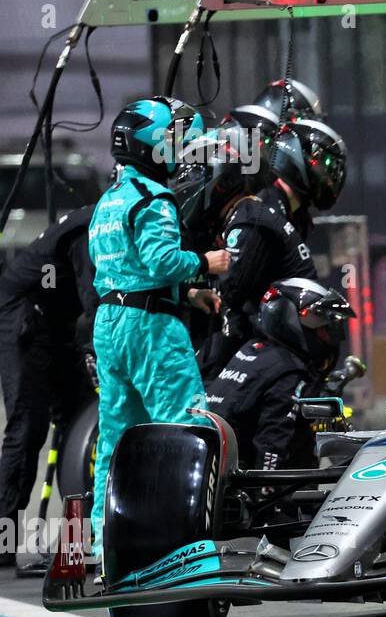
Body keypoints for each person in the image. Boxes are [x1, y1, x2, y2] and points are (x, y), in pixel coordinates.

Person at [88, 96, 230, 557]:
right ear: (153, 147)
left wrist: (185, 295)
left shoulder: (108, 201)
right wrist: (207, 262)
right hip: (151, 330)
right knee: (183, 427)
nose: (183, 150)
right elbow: (162, 260)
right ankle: (183, 545)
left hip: (110, 323)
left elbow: (123, 270)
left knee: (116, 437)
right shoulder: (155, 199)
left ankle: (101, 545)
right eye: (175, 141)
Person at [205, 118, 347, 377]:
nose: (329, 176)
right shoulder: (265, 208)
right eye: (323, 164)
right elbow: (235, 291)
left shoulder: (294, 215)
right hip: (261, 349)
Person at [0, 206, 98, 567]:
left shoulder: (104, 220)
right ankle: (2, 538)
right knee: (29, 426)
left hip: (58, 319)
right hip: (25, 311)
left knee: (81, 425)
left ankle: (75, 537)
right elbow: (93, 301)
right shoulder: (89, 228)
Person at [206, 278, 354, 470]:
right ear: (287, 318)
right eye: (322, 327)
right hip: (242, 483)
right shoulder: (288, 371)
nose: (328, 337)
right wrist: (269, 495)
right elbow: (272, 447)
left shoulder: (253, 351)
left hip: (217, 467)